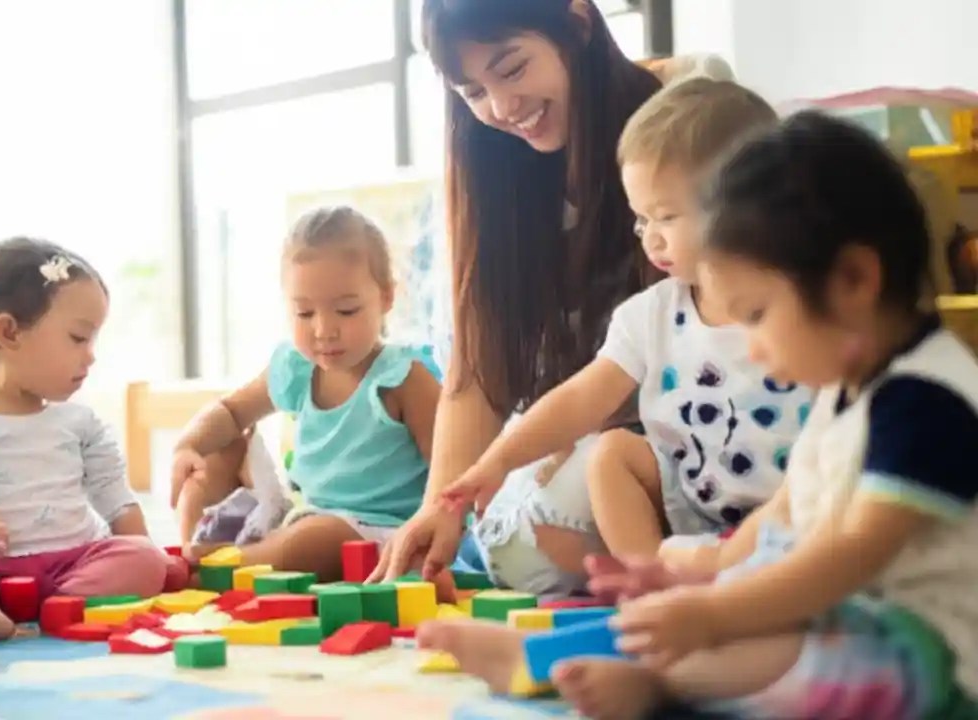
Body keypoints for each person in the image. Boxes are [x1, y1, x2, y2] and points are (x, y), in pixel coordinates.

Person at [423, 112, 978, 719]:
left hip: (934, 654)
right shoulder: (849, 388)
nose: (755, 349)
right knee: (744, 592)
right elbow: (788, 513)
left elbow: (849, 556)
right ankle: (548, 661)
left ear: (854, 280)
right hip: (847, 610)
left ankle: (657, 686)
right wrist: (704, 570)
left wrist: (714, 611)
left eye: (759, 316)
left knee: (782, 634)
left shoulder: (928, 401)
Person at [370, 0, 733, 595]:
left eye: (512, 69)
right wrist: (443, 505)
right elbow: (479, 369)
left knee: (582, 503)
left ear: (578, 22)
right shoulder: (493, 172)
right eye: (473, 92)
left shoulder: (688, 108)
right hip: (588, 428)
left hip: (698, 415)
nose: (502, 109)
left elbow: (734, 304)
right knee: (523, 546)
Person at [441, 78, 809, 562]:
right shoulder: (651, 314)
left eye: (666, 217)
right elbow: (579, 400)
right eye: (641, 220)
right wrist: (498, 462)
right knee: (612, 453)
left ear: (747, 206)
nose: (650, 240)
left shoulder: (806, 302)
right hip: (697, 513)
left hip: (801, 512)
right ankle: (652, 583)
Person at [0, 238, 187, 645]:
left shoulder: (79, 421)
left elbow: (114, 494)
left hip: (72, 562)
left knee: (138, 557)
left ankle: (62, 604)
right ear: (9, 332)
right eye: (78, 338)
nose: (90, 356)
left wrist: (153, 555)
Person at [170, 206, 441, 581]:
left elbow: (449, 468)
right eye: (304, 313)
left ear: (387, 298)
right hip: (299, 518)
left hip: (379, 535)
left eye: (346, 311)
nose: (324, 330)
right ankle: (189, 548)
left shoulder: (403, 378)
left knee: (320, 537)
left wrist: (437, 536)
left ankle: (220, 568)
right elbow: (231, 411)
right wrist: (188, 445)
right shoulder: (295, 366)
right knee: (220, 449)